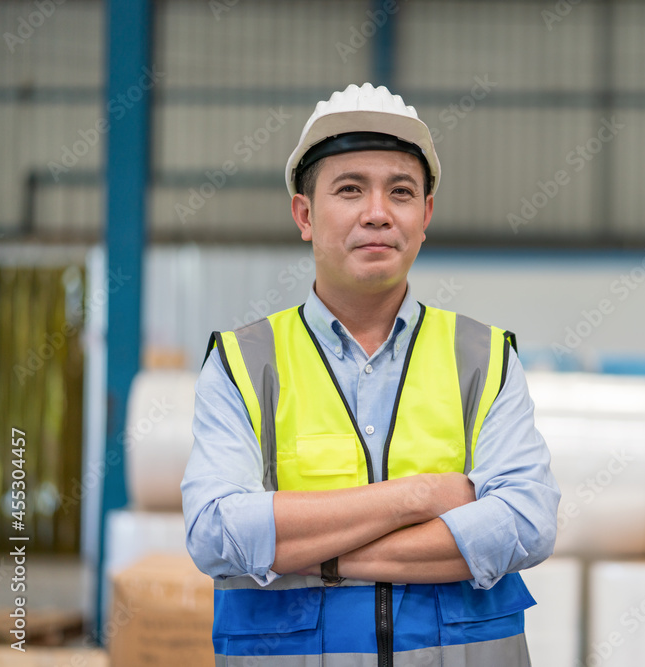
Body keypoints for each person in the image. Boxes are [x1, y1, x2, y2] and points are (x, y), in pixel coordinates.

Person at [181, 83, 560, 666]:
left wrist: (313, 553)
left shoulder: (482, 356)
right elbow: (218, 533)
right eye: (350, 189)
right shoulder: (243, 362)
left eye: (401, 192)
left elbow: (525, 523)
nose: (377, 213)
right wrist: (421, 495)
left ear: (425, 215)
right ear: (305, 214)